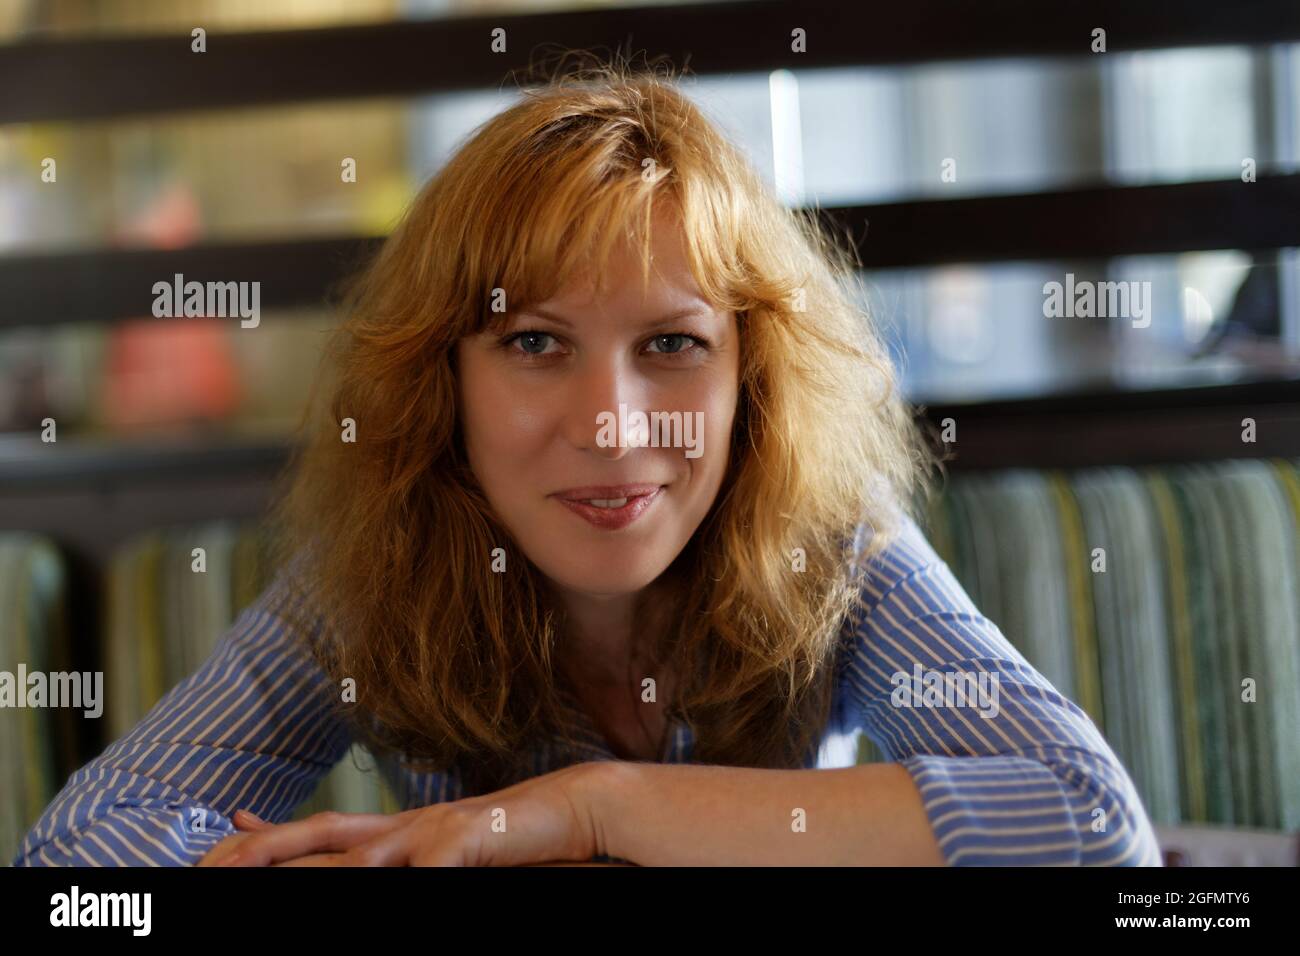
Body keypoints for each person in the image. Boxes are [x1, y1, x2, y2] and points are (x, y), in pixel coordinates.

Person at [13, 60, 1161, 867]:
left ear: (747, 377)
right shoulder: (372, 583)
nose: (612, 428)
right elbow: (73, 871)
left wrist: (594, 808)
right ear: (442, 380)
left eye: (671, 344)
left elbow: (1094, 826)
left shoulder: (826, 543)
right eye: (533, 343)